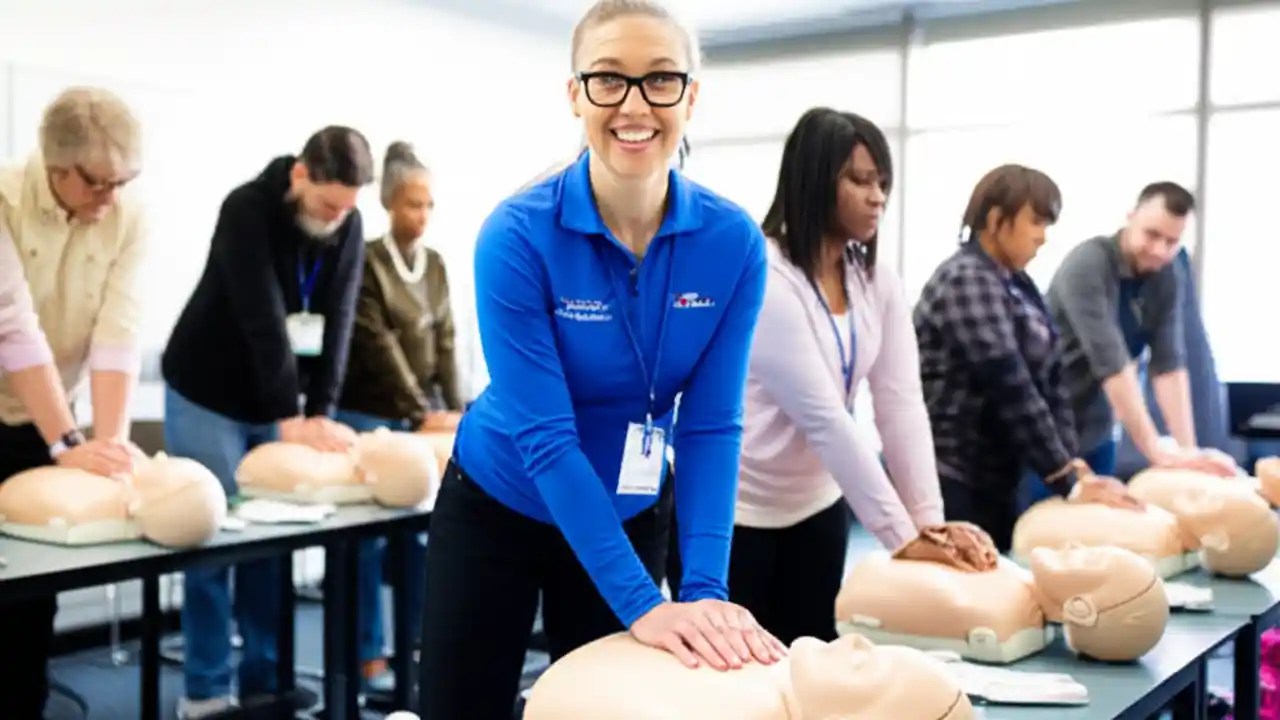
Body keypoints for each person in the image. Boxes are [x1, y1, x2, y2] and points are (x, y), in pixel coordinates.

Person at [415, 1, 784, 717]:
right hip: (500, 501)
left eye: (660, 80)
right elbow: (546, 437)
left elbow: (710, 428)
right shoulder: (517, 238)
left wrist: (704, 591)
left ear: (692, 95)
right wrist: (646, 604)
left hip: (631, 507)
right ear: (576, 93)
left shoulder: (732, 242)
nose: (635, 105)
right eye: (609, 80)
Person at [160, 126, 373, 719]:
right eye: (329, 205)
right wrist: (290, 415)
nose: (336, 220)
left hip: (278, 403)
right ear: (300, 176)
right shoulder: (246, 209)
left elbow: (342, 319)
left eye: (348, 209)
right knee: (212, 532)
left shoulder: (348, 224)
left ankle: (265, 682)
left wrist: (320, 415)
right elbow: (262, 317)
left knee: (272, 543)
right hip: (208, 391)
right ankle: (205, 690)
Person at [731, 107, 943, 645]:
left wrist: (929, 521)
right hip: (737, 513)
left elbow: (900, 405)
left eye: (883, 183)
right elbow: (825, 418)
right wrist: (901, 537)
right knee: (739, 686)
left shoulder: (875, 281)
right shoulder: (766, 277)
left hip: (817, 507)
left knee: (811, 671)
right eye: (859, 180)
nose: (878, 197)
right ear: (814, 181)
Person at [0, 85, 146, 718]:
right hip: (29, 403)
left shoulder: (127, 215)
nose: (111, 198)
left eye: (123, 181)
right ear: (56, 167)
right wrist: (67, 442)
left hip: (47, 416)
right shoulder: (2, 198)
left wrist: (105, 447)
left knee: (33, 595)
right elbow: (12, 326)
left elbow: (119, 332)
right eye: (98, 183)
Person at [912, 165, 1135, 552]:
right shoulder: (965, 278)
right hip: (954, 479)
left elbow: (1051, 384)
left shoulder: (1019, 284)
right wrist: (1065, 476)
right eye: (1036, 221)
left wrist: (1073, 464)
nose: (1042, 237)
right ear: (997, 219)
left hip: (1000, 478)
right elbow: (1009, 384)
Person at [336, 140, 457, 691]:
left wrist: (451, 411)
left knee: (419, 539)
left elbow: (447, 340)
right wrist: (418, 411)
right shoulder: (367, 261)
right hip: (370, 414)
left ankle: (413, 646)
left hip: (422, 422)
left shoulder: (434, 265)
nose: (423, 216)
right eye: (413, 204)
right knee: (368, 544)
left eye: (429, 204)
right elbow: (377, 344)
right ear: (388, 203)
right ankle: (365, 655)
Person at [1043, 183, 1234, 481]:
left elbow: (1169, 364)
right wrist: (1155, 451)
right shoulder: (1088, 265)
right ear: (1131, 217)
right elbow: (1112, 363)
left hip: (1098, 432)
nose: (1160, 250)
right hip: (1047, 431)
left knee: (1100, 522)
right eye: (1152, 234)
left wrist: (1189, 454)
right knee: (1043, 522)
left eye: (1171, 242)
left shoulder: (1166, 273)